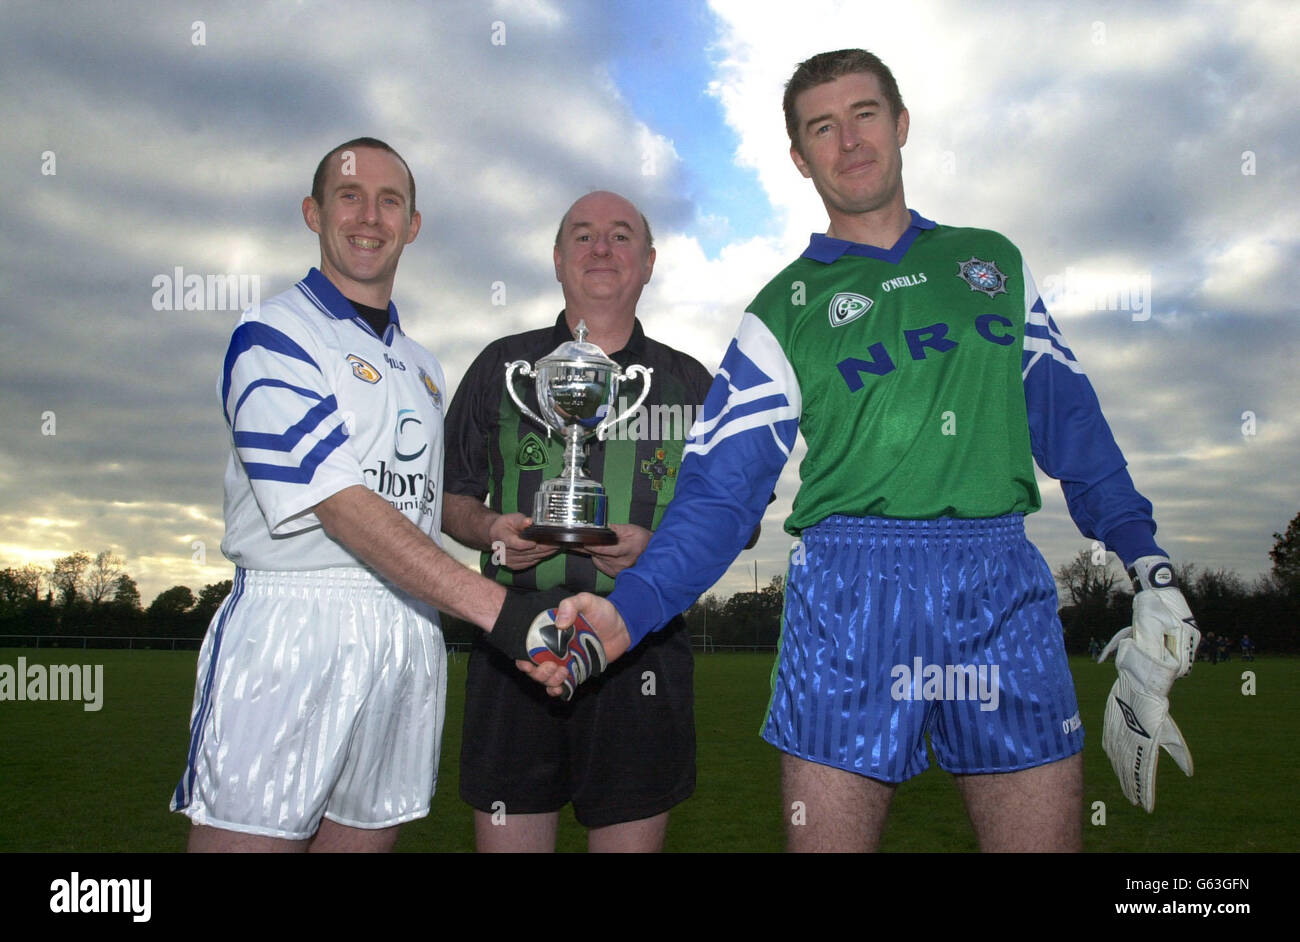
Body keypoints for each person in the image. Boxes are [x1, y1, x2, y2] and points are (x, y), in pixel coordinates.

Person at [532, 50, 1201, 849]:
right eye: (822, 127)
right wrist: (624, 613)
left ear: (902, 124)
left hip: (1000, 589)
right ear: (799, 157)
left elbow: (1075, 427)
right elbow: (718, 495)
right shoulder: (781, 310)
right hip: (850, 596)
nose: (848, 141)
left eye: (865, 115)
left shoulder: (992, 264)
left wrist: (1148, 564)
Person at [171, 138, 584, 852]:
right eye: (350, 196)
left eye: (390, 200)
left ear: (413, 224)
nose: (370, 216)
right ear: (313, 212)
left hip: (405, 630)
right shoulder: (272, 333)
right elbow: (339, 505)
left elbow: (413, 513)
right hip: (293, 625)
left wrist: (493, 533)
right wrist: (503, 615)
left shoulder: (422, 366)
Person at [442, 191, 715, 852]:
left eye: (621, 236)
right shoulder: (501, 368)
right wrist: (491, 531)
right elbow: (449, 496)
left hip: (641, 648)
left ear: (648, 262)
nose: (601, 249)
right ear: (558, 259)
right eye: (584, 235)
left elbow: (725, 520)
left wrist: (659, 549)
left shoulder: (691, 385)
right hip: (512, 641)